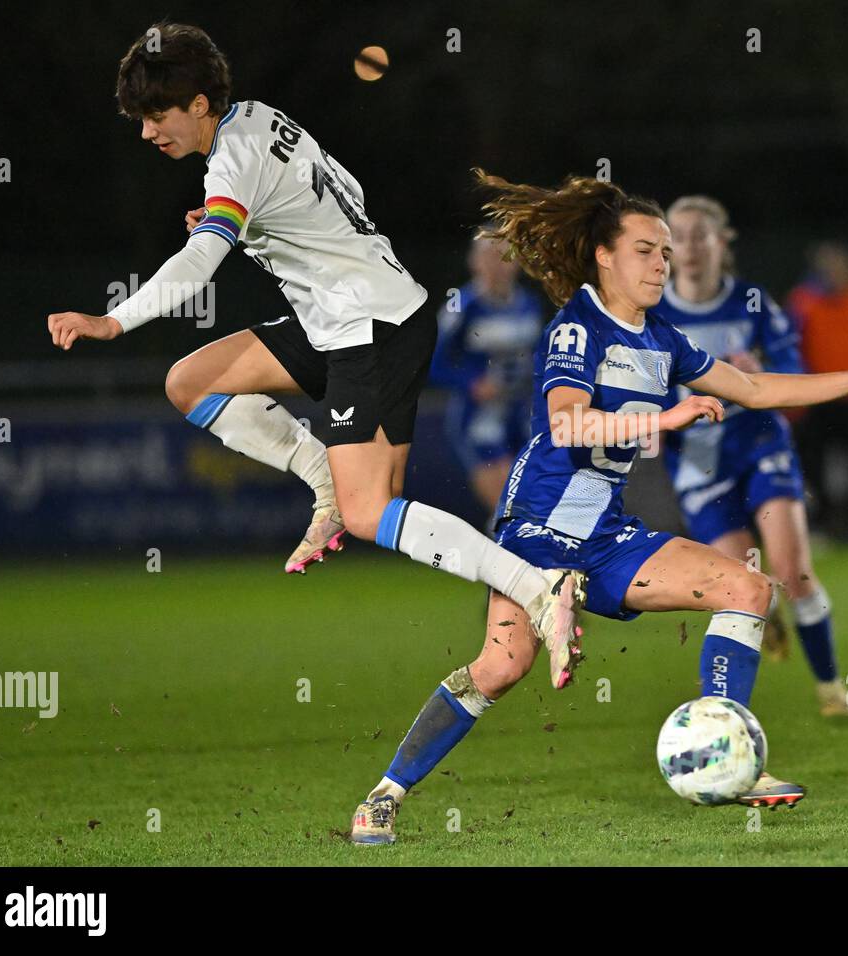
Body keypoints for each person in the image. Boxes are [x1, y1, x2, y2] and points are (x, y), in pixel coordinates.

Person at [349, 171, 848, 845]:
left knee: (749, 589)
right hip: (536, 535)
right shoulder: (577, 329)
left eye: (665, 252)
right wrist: (666, 421)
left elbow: (751, 386)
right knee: (502, 665)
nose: (662, 263)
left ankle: (724, 753)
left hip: (607, 538)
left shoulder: (660, 338)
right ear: (605, 256)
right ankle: (384, 794)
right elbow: (568, 426)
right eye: (646, 249)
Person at [44, 22, 583, 655]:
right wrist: (248, 226)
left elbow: (198, 265)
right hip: (337, 320)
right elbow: (343, 192)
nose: (147, 132)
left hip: (372, 327)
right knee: (189, 383)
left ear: (198, 105)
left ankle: (540, 587)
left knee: (370, 512)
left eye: (156, 115)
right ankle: (321, 480)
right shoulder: (259, 120)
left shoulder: (234, 157)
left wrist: (112, 321)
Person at [651, 195, 848, 717]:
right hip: (698, 461)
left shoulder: (753, 301)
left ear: (723, 242)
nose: (690, 247)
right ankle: (761, 634)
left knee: (792, 569)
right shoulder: (653, 313)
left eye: (702, 235)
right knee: (744, 582)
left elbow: (794, 364)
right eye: (680, 236)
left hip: (763, 443)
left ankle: (832, 688)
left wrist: (757, 364)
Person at [430, 233, 545, 520]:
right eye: (489, 256)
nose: (498, 265)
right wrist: (470, 382)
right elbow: (431, 363)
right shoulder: (462, 305)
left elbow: (539, 356)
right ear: (474, 261)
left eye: (504, 256)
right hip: (479, 417)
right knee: (509, 505)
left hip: (520, 413)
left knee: (529, 499)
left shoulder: (529, 303)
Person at [785, 242, 848, 538]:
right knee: (814, 465)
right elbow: (791, 347)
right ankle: (820, 526)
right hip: (818, 395)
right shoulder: (802, 302)